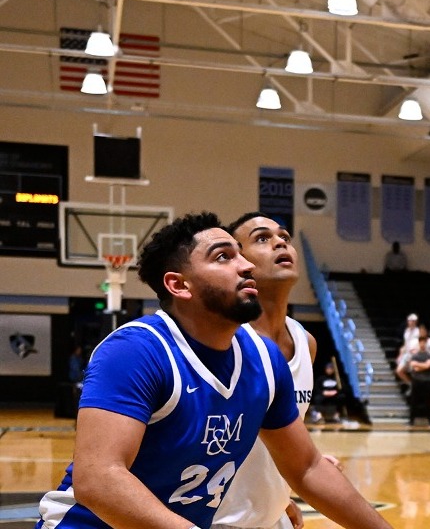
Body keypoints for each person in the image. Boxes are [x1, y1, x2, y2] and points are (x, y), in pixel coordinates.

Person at [39, 212, 390, 529]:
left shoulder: (266, 359)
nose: (246, 265)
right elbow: (98, 478)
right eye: (224, 256)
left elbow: (307, 468)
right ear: (179, 285)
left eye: (241, 254)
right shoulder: (135, 350)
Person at [213, 213, 320, 529]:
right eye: (262, 238)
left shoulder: (306, 342)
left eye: (284, 237)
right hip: (213, 518)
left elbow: (276, 434)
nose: (279, 242)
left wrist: (278, 493)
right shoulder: (224, 339)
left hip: (270, 518)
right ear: (238, 262)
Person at [406, 340, 430, 426]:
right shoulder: (414, 356)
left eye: (424, 343)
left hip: (427, 381)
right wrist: (425, 366)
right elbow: (414, 367)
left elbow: (428, 365)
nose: (422, 344)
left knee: (428, 402)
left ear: (426, 344)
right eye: (421, 343)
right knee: (414, 402)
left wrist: (419, 366)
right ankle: (411, 421)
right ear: (418, 344)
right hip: (417, 381)